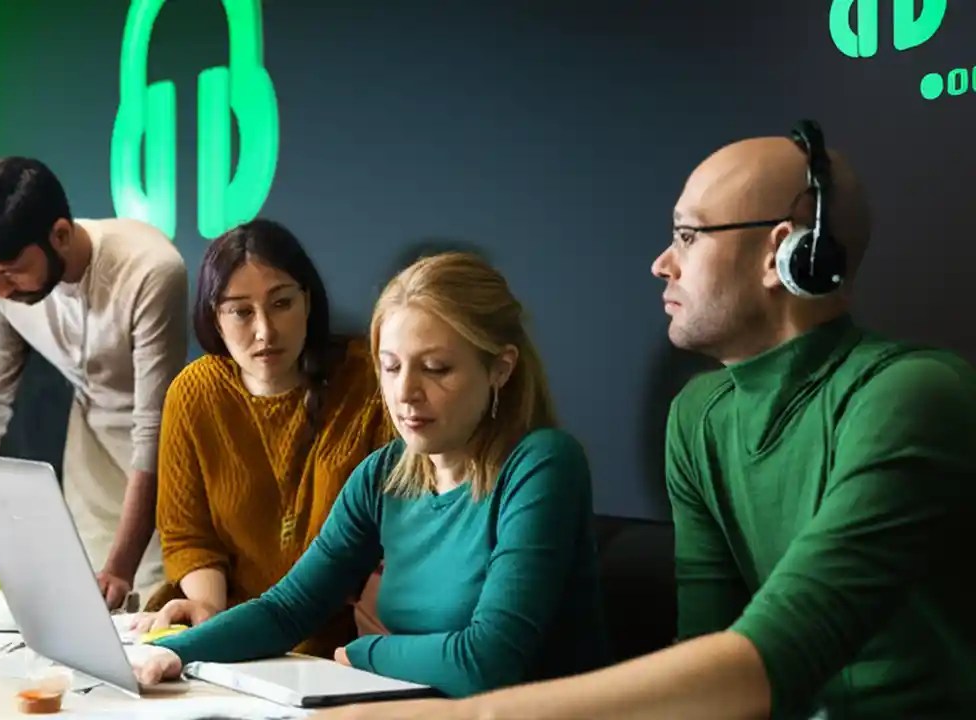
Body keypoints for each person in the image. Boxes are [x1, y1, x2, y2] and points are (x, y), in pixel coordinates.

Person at [314, 123, 976, 719]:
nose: (663, 262)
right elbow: (704, 651)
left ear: (783, 252)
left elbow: (771, 656)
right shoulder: (699, 414)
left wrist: (466, 715)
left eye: (688, 235)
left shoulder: (910, 393)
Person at [133, 251, 609, 699]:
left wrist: (363, 654)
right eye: (391, 367)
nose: (406, 393)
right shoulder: (383, 474)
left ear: (500, 369)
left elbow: (487, 662)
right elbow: (287, 609)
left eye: (436, 368)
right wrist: (171, 652)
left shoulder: (543, 465)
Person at [124, 219, 394, 657]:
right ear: (215, 317)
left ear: (308, 301)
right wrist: (208, 611)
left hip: (344, 645)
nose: (265, 331)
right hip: (235, 635)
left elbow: (396, 531)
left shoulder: (371, 380)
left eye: (282, 303)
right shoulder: (194, 392)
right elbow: (189, 536)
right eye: (241, 312)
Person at [0, 157, 187, 607]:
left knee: (153, 604)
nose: (1, 290)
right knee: (88, 608)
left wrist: (120, 569)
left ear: (61, 235)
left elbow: (154, 431)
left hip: (166, 459)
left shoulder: (151, 270)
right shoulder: (0, 288)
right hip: (90, 451)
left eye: (11, 270)